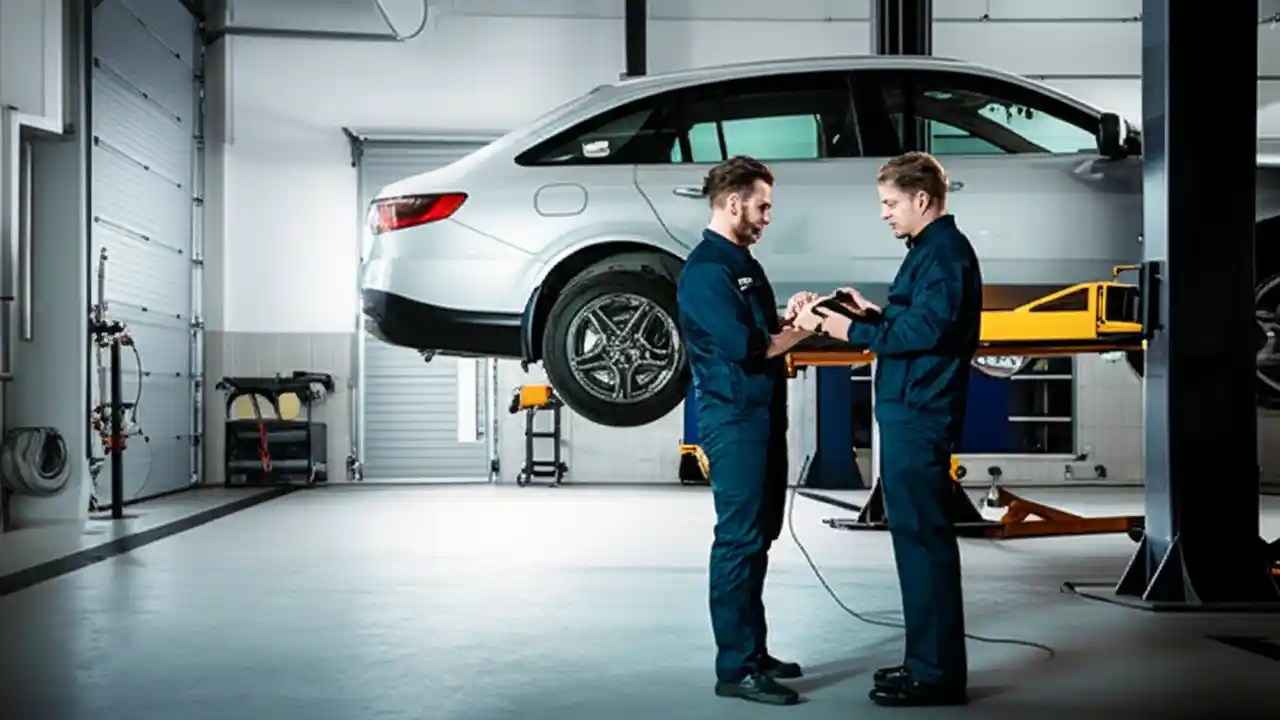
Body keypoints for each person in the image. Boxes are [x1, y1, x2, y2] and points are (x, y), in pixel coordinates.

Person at [792, 151, 982, 707]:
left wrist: (843, 326)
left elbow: (927, 329)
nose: (885, 214)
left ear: (922, 199)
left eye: (891, 203)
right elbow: (914, 322)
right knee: (914, 542)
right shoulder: (929, 252)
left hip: (921, 413)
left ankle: (938, 676)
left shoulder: (945, 253)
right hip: (909, 409)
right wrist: (870, 313)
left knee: (924, 543)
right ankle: (924, 662)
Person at [676, 155, 817, 706]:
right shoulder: (708, 270)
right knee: (738, 539)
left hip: (758, 415)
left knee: (759, 537)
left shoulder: (742, 262)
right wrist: (805, 331)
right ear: (732, 203)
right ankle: (735, 669)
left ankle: (753, 651)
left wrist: (794, 315)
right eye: (762, 206)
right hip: (733, 421)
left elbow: (761, 330)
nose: (767, 216)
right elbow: (746, 348)